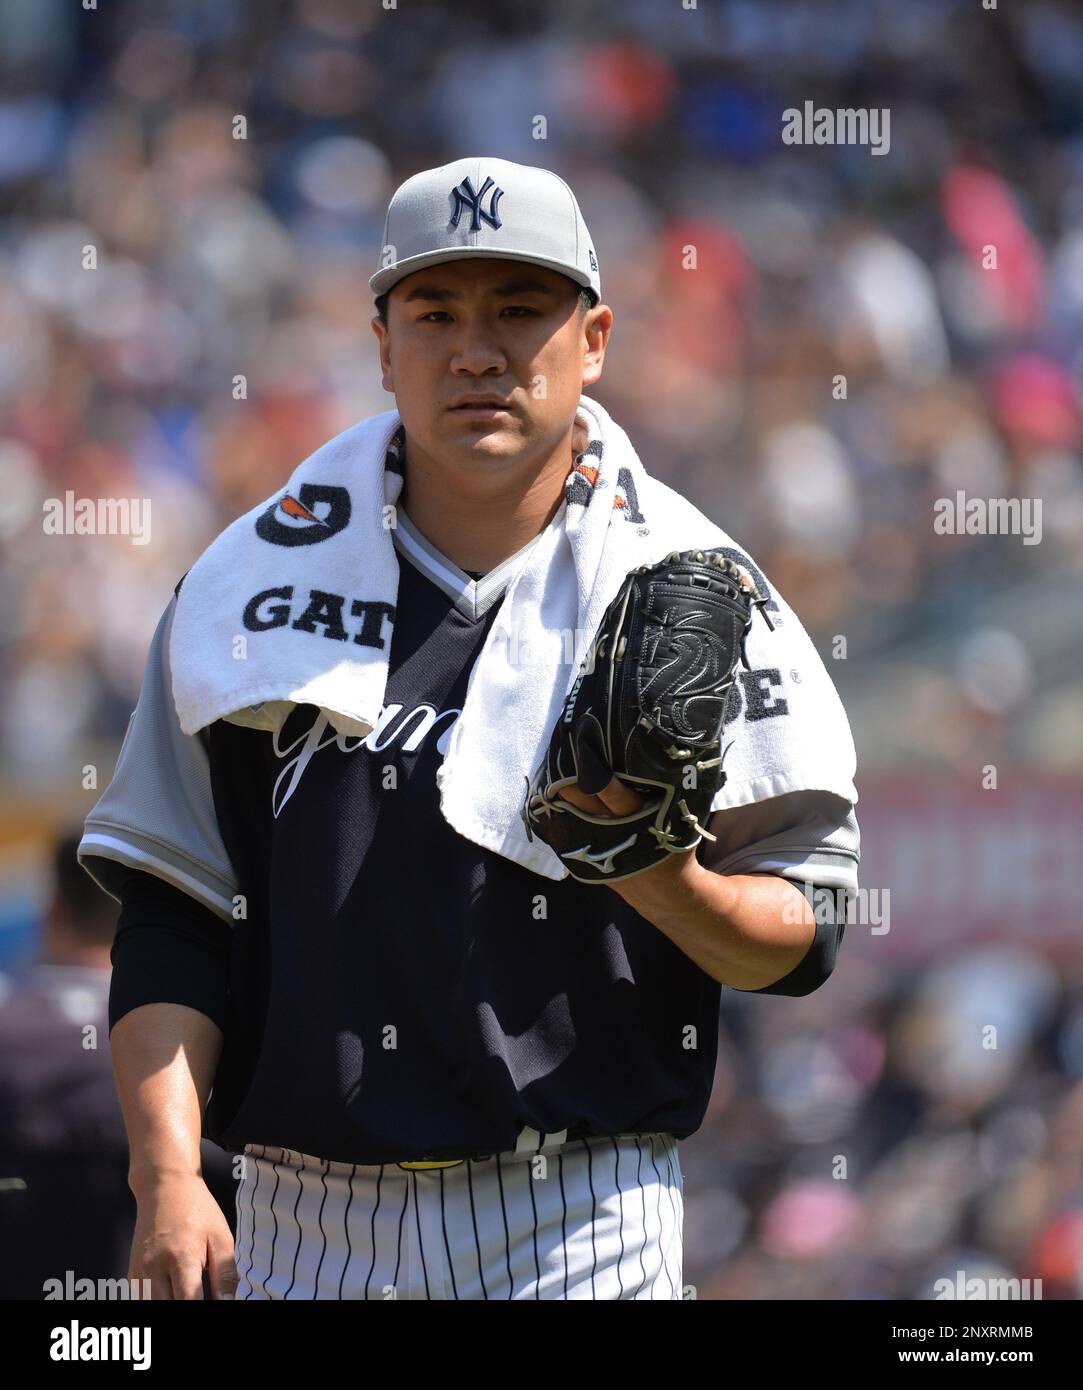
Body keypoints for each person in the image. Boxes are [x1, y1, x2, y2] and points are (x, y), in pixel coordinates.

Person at [78, 156, 859, 1300]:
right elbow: (172, 918)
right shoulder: (245, 590)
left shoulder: (692, 586)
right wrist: (166, 1173)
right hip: (305, 1220)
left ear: (594, 339)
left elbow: (807, 933)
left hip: (579, 1214)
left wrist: (664, 880)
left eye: (519, 308)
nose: (478, 350)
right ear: (384, 345)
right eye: (435, 312)